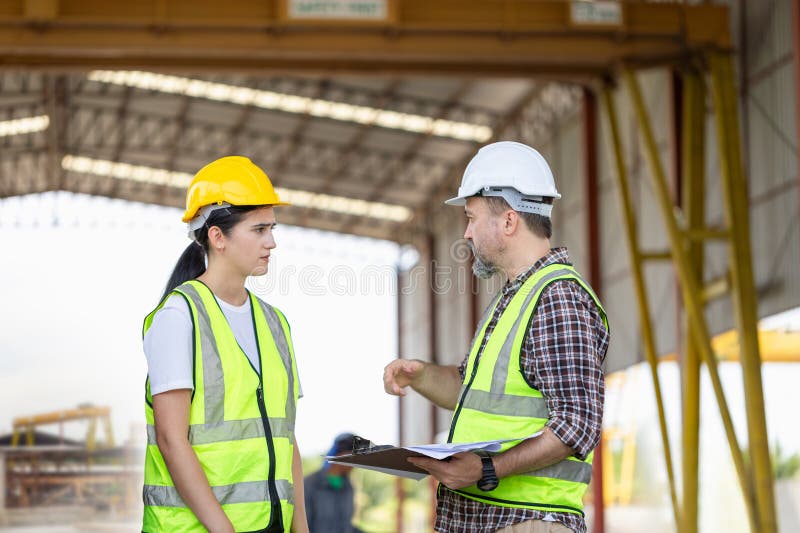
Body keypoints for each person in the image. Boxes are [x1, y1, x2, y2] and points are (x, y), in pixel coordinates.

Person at [383, 141, 610, 533]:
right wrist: (420, 375)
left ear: (508, 221)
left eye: (471, 218)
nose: (467, 233)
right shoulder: (516, 297)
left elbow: (578, 424)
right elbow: (479, 397)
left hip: (526, 521)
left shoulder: (557, 298)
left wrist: (487, 469)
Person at [141, 156, 308, 533]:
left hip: (268, 524)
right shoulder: (179, 315)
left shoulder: (275, 323)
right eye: (259, 229)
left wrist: (301, 527)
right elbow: (171, 439)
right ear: (218, 237)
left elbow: (286, 439)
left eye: (273, 228)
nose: (272, 242)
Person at [304, 433, 362, 533]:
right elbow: (302, 525)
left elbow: (346, 526)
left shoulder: (348, 486)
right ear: (340, 455)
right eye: (354, 457)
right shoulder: (310, 484)